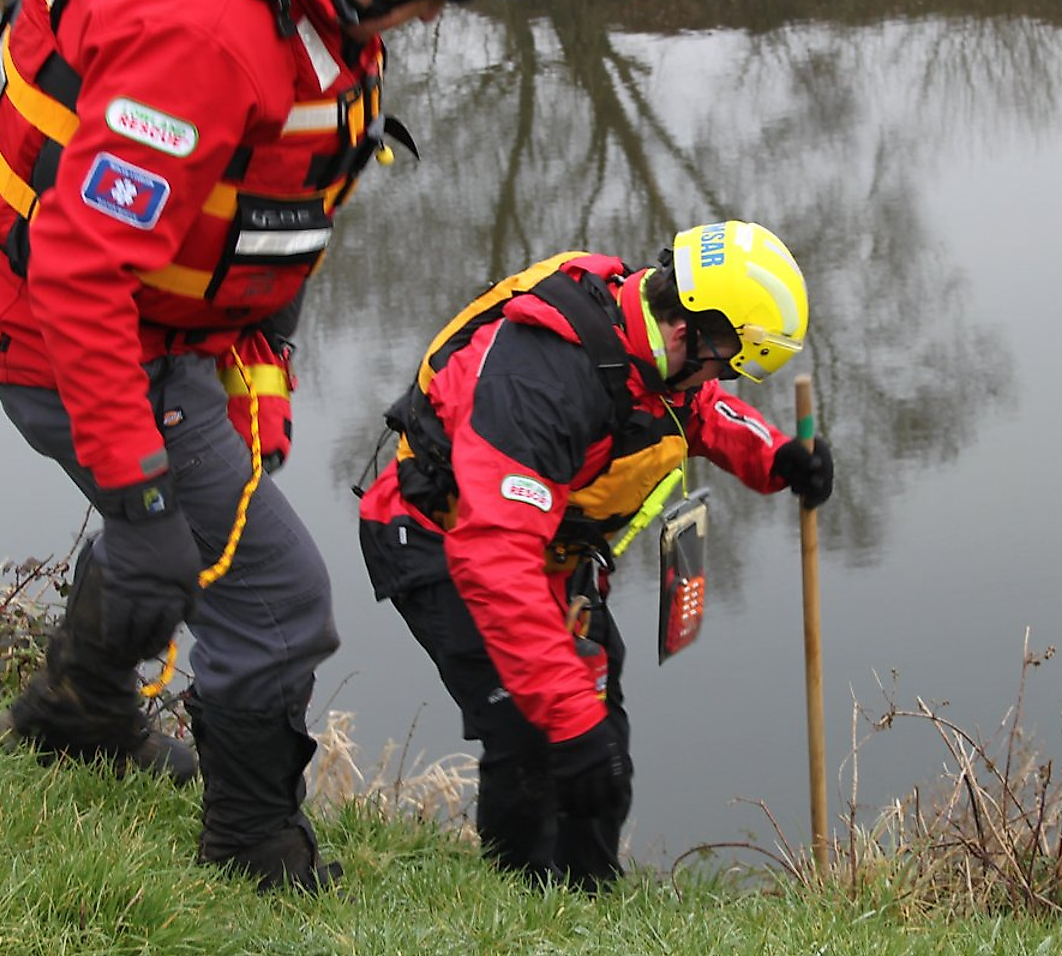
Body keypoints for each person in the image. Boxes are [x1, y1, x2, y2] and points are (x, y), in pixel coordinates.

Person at [0, 0, 548, 892]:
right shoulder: (205, 31)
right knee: (278, 599)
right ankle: (253, 849)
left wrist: (255, 389)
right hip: (72, 335)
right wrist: (141, 493)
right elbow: (83, 271)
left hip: (159, 322)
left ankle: (72, 715)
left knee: (194, 529)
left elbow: (259, 206)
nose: (440, 18)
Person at [357, 220, 834, 890]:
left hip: (547, 551)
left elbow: (691, 409)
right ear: (688, 330)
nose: (719, 376)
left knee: (601, 747)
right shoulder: (544, 379)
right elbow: (493, 556)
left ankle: (589, 904)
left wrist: (775, 456)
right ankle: (517, 912)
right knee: (532, 735)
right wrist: (567, 720)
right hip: (443, 537)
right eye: (724, 360)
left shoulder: (652, 338)